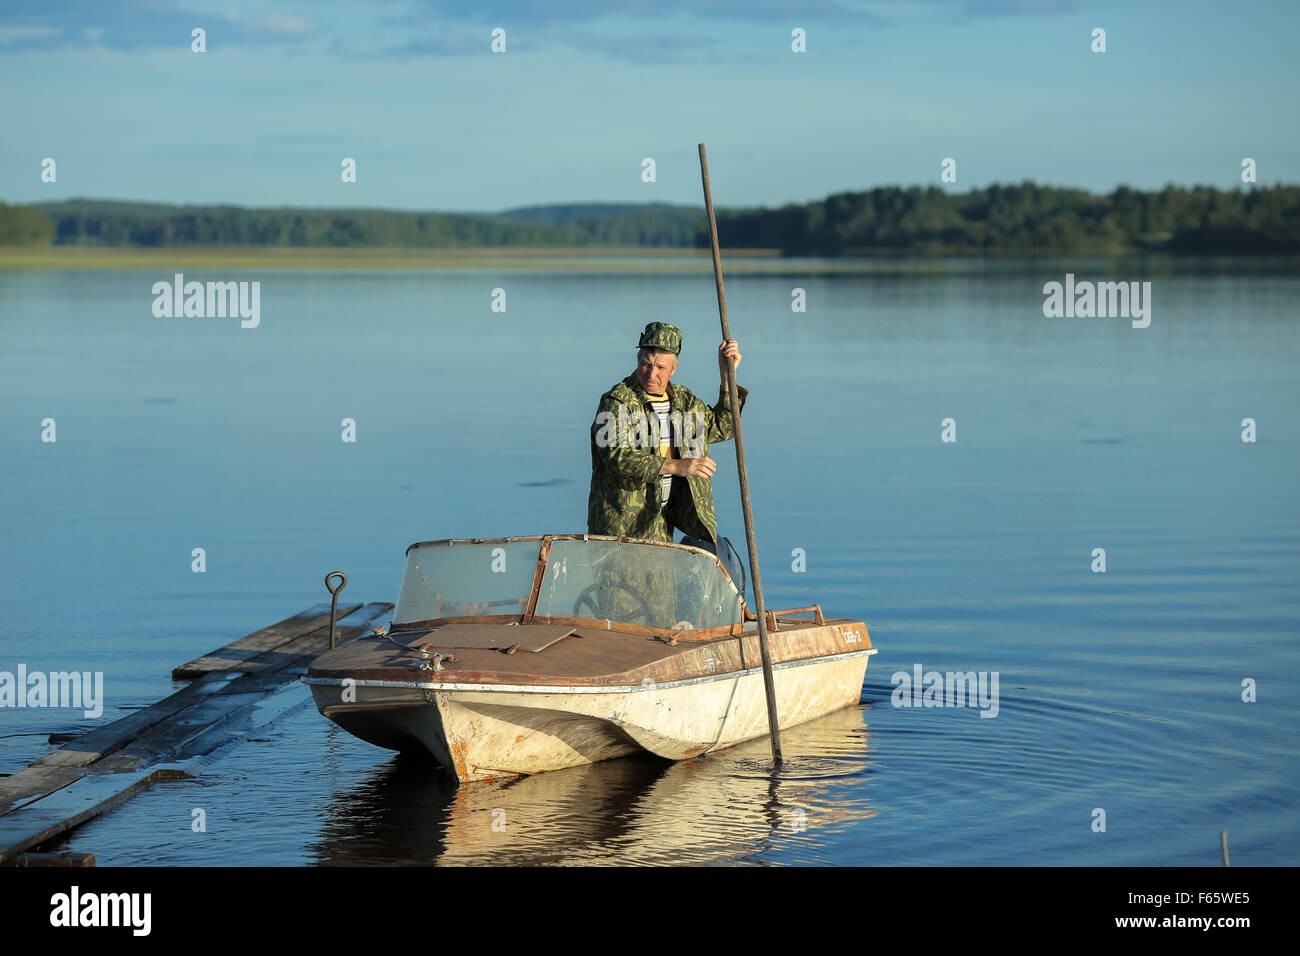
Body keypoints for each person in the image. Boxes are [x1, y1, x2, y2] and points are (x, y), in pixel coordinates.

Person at [587, 322, 747, 549]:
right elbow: (615, 456)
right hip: (620, 530)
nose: (652, 374)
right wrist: (677, 466)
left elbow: (723, 428)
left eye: (661, 367)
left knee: (661, 586)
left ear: (673, 369)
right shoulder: (616, 401)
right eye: (646, 364)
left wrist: (727, 376)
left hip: (662, 524)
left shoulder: (684, 400)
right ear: (638, 360)